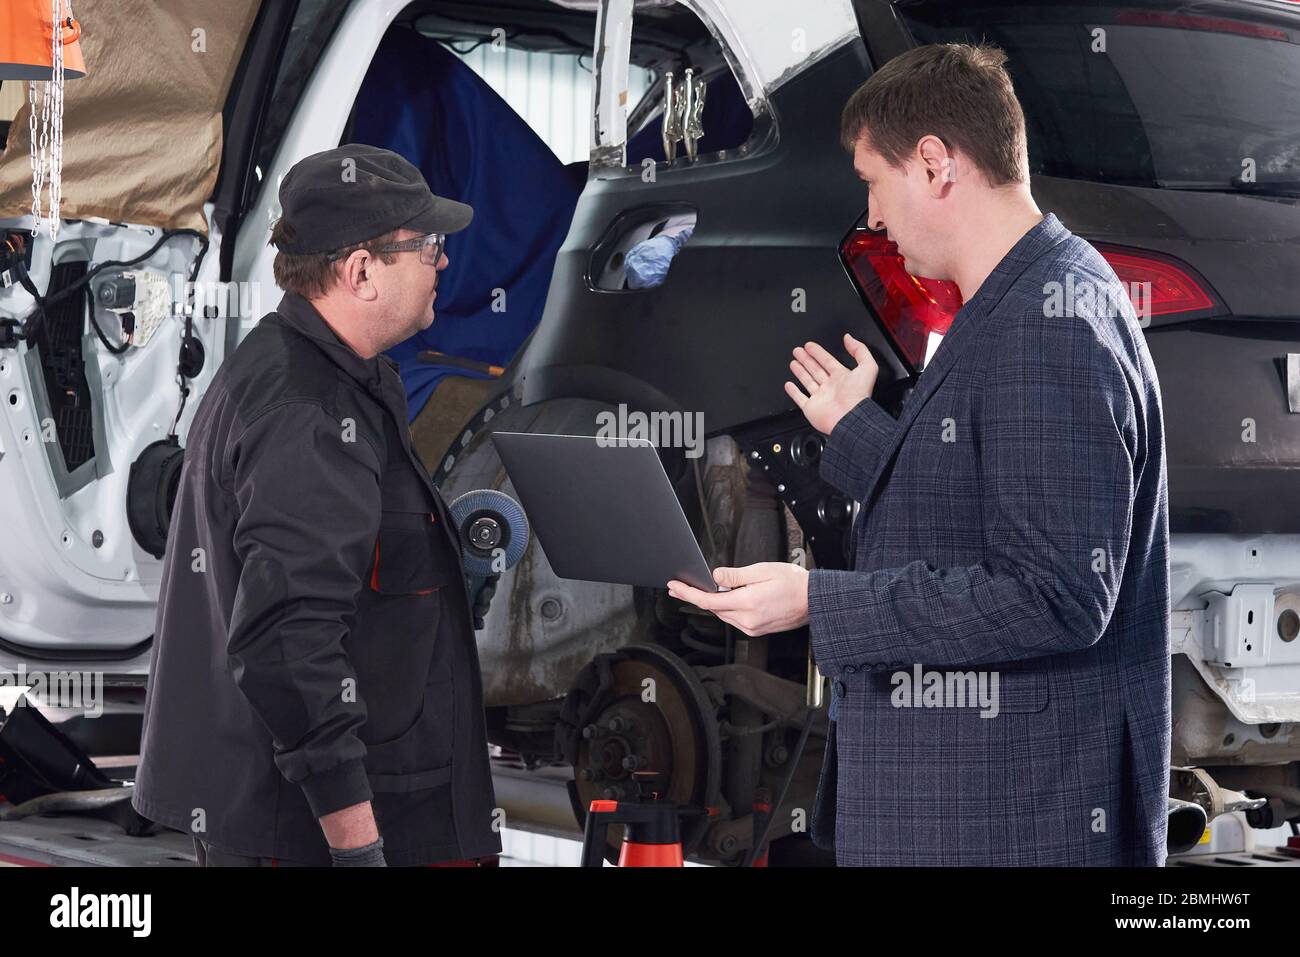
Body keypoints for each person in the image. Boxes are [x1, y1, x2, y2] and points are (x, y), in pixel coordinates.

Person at [667, 43, 1171, 866]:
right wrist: (859, 430)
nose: (871, 218)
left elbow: (1056, 594)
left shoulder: (1048, 325)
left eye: (874, 182)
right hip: (968, 803)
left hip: (1004, 819)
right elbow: (977, 500)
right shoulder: (1016, 300)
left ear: (936, 164)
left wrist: (820, 603)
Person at [133, 145, 501, 867]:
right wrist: (358, 846)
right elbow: (285, 643)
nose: (444, 261)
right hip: (313, 838)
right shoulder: (306, 410)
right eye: (428, 246)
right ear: (361, 271)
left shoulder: (331, 377)